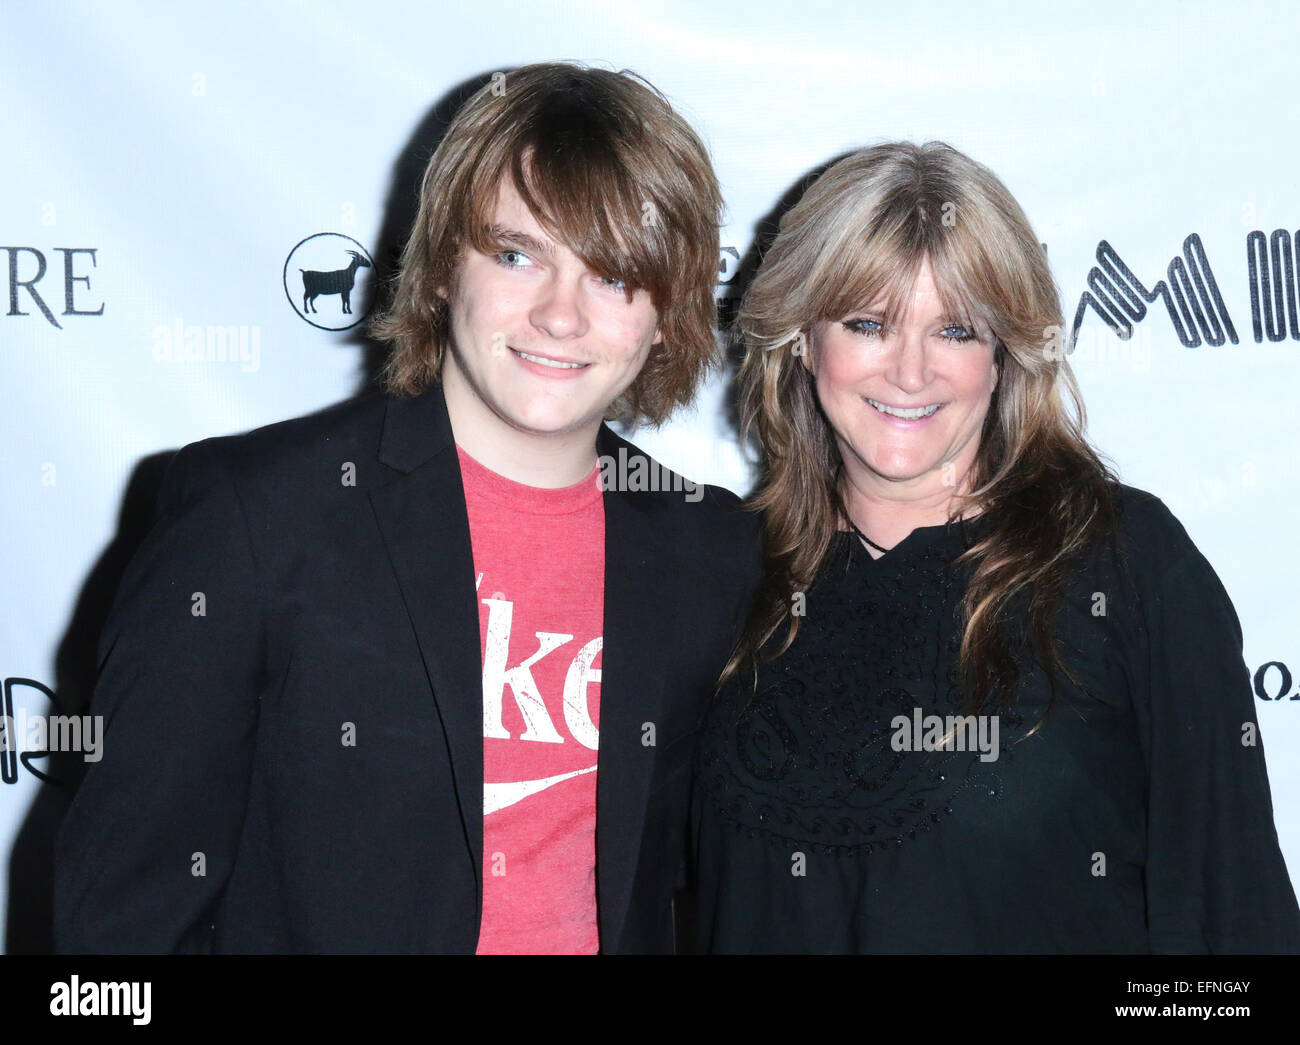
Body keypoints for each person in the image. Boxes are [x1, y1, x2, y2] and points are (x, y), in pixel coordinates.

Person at [54, 62, 761, 954]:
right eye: (517, 255)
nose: (560, 314)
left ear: (665, 314)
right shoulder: (254, 521)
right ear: (439, 271)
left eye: (614, 276)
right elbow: (117, 930)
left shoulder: (712, 550)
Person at [690, 141, 1300, 954]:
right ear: (803, 339)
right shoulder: (718, 571)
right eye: (868, 323)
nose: (910, 371)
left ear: (1004, 353)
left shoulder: (1123, 561)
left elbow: (1238, 921)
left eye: (955, 329)